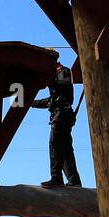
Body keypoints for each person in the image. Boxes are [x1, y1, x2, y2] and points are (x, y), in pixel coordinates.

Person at [33, 61, 81, 189]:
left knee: (55, 144)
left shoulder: (62, 71)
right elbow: (52, 100)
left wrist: (49, 80)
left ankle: (56, 177)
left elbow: (63, 86)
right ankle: (73, 179)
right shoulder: (57, 76)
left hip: (62, 114)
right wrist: (32, 103)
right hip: (62, 114)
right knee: (64, 148)